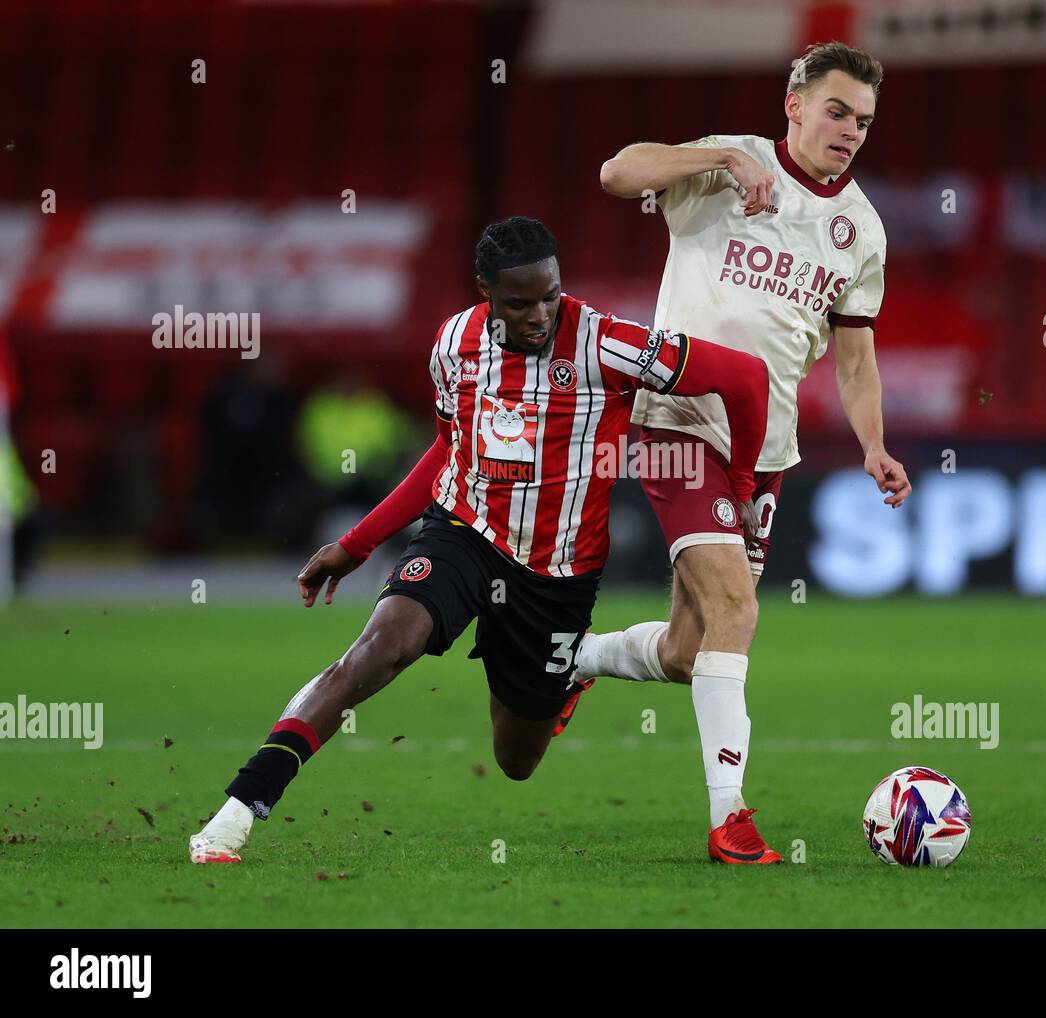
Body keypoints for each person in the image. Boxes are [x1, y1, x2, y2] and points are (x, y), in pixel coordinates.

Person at [188, 216, 769, 864]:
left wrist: (741, 481)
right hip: (464, 534)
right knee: (378, 652)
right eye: (521, 302)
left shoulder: (608, 345)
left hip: (556, 578)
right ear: (485, 292)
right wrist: (356, 544)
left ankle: (576, 668)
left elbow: (745, 378)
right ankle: (238, 811)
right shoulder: (454, 344)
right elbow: (447, 449)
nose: (540, 314)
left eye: (550, 295)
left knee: (517, 758)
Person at [563, 42, 913, 863]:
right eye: (836, 111)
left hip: (767, 452)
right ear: (793, 103)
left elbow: (855, 359)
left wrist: (874, 445)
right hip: (676, 422)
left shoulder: (860, 229)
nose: (850, 131)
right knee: (740, 611)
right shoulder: (729, 165)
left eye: (863, 121)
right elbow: (618, 173)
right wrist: (720, 154)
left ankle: (574, 660)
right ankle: (731, 820)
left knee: (694, 650)